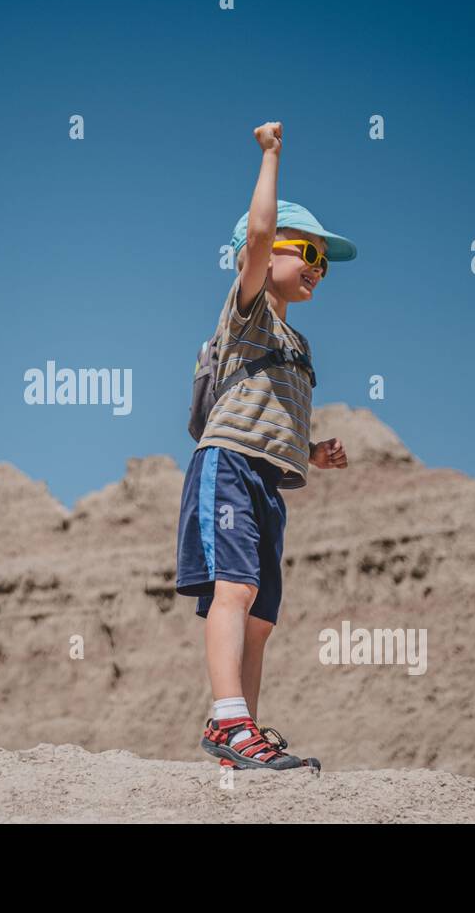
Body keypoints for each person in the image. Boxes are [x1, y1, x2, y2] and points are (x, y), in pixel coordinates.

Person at [175, 120, 355, 770]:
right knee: (236, 590)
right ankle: (228, 723)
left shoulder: (299, 347)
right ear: (267, 253)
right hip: (226, 467)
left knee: (262, 617)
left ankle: (239, 738)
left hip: (268, 481)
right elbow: (255, 233)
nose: (319, 269)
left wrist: (309, 453)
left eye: (324, 263)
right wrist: (271, 156)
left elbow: (270, 414)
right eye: (308, 253)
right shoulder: (247, 312)